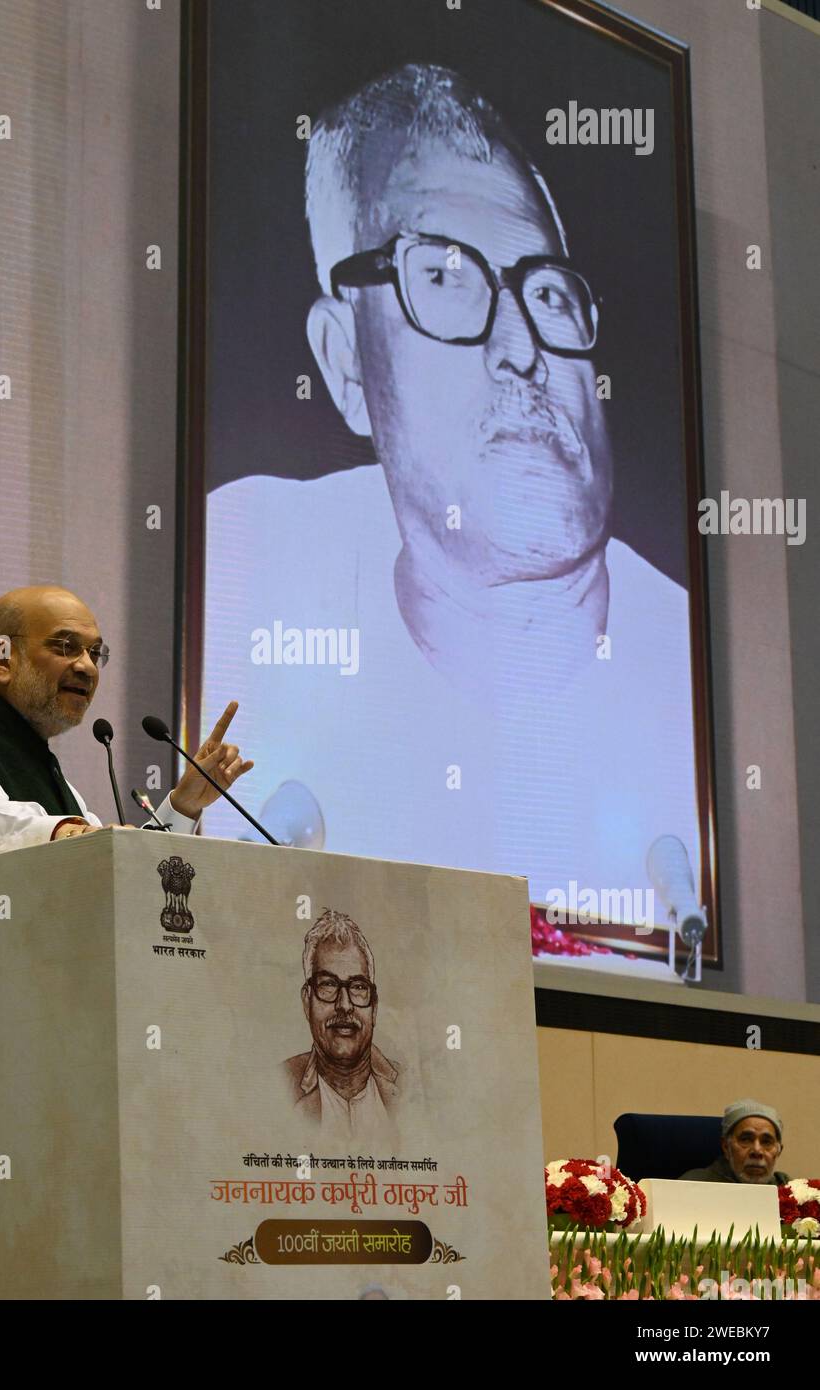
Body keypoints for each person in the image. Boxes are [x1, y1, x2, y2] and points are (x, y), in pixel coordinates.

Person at [204, 63, 700, 928]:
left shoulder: (682, 668)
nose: (521, 348)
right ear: (347, 363)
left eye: (548, 293)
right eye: (442, 277)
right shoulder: (246, 566)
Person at [0, 585, 252, 875]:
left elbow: (122, 872)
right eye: (66, 646)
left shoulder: (54, 777)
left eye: (95, 653)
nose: (88, 667)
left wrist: (183, 806)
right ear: (3, 659)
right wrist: (69, 833)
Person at [283, 909, 401, 1135]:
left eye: (358, 987)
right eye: (328, 985)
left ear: (374, 1007)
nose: (344, 1005)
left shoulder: (412, 1091)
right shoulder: (275, 1088)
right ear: (307, 1001)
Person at [680, 1100, 789, 1185]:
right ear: (726, 1147)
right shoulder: (693, 1185)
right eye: (746, 1139)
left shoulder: (790, 1191)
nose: (757, 1150)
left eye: (766, 1142)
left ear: (778, 1151)